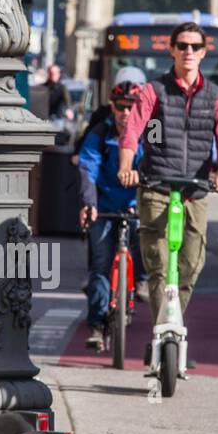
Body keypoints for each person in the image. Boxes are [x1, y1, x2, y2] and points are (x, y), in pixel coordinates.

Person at [116, 22, 218, 337]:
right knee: (158, 265)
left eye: (195, 46)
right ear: (171, 50)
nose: (188, 52)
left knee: (190, 267)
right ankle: (162, 332)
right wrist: (126, 167)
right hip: (156, 184)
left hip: (194, 189)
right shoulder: (153, 91)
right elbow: (133, 133)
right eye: (182, 46)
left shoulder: (214, 96)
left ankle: (170, 329)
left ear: (204, 52)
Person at [78, 78, 149, 350]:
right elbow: (87, 167)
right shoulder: (100, 131)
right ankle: (96, 326)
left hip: (136, 206)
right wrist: (89, 202)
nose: (126, 113)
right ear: (112, 106)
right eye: (121, 107)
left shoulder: (149, 131)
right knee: (100, 267)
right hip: (104, 207)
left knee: (147, 247)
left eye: (132, 107)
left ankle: (139, 283)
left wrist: (142, 178)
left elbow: (159, 161)